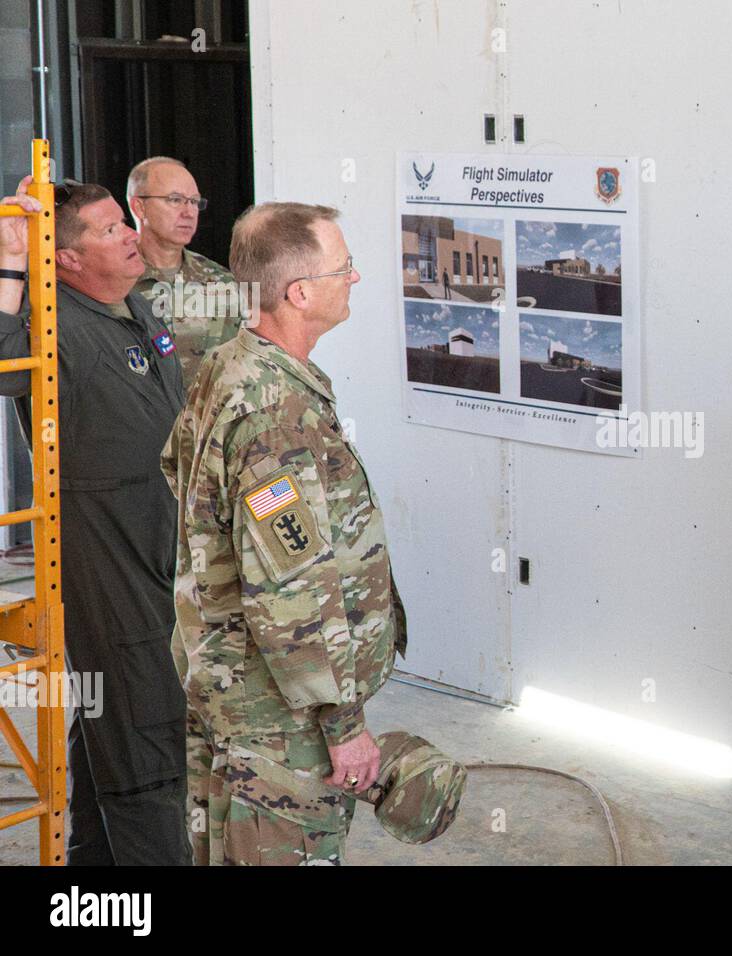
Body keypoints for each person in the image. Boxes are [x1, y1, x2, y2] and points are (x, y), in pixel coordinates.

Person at [162, 201, 407, 865]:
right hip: (276, 716)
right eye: (345, 268)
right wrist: (344, 724)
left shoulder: (225, 368)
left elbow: (179, 480)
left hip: (227, 684)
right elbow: (290, 590)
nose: (354, 279)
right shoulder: (278, 416)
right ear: (300, 293)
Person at [0, 177, 189, 865]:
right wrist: (12, 257)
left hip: (157, 541)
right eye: (110, 231)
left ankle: (91, 879)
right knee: (144, 732)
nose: (131, 236)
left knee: (108, 715)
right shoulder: (54, 327)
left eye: (123, 223)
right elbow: (0, 359)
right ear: (68, 259)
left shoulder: (131, 308)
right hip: (101, 549)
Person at [127, 157, 242, 387]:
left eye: (194, 202)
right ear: (139, 206)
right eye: (175, 200)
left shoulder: (222, 281)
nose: (189, 212)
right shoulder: (115, 281)